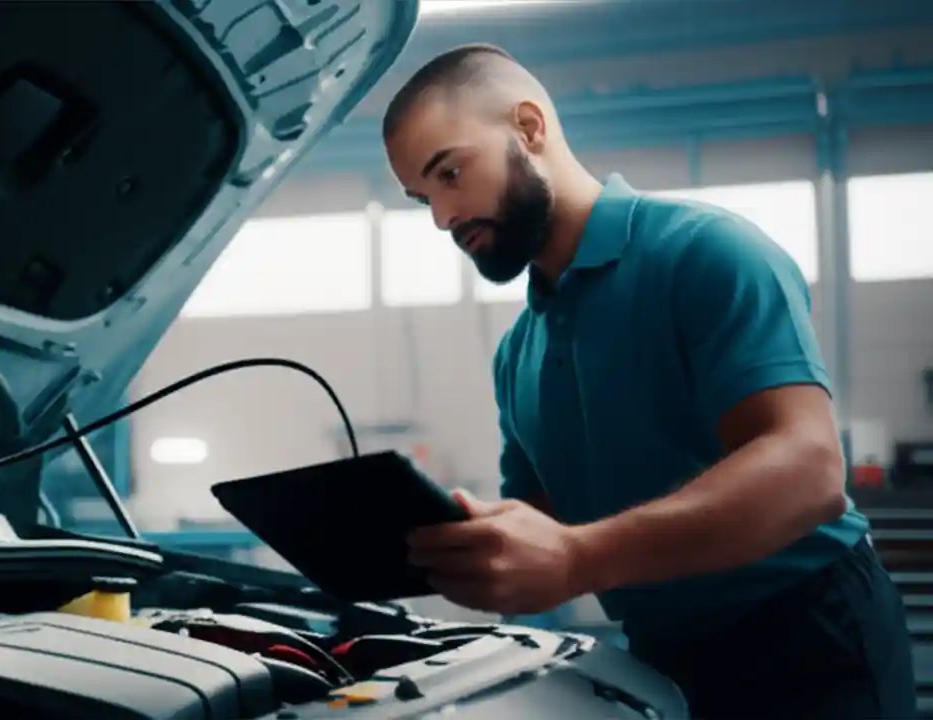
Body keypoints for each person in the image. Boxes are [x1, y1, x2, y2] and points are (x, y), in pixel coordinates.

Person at [382, 43, 916, 719]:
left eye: (450, 173)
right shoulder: (519, 350)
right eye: (422, 197)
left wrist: (578, 558)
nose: (442, 217)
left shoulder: (705, 251)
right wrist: (474, 545)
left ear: (529, 127)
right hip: (667, 655)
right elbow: (547, 524)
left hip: (810, 639)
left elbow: (808, 472)